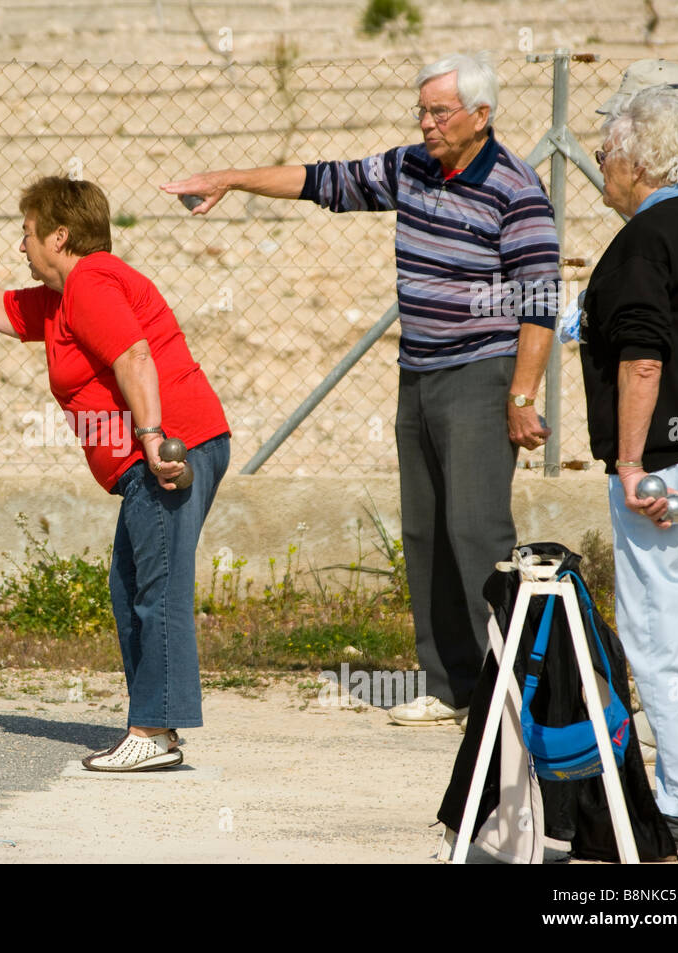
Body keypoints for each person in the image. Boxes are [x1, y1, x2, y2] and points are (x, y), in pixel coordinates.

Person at [163, 51, 559, 726]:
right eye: (422, 110)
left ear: (481, 115)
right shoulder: (411, 167)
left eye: (440, 111)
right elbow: (324, 180)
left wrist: (521, 397)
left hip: (481, 377)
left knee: (477, 530)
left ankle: (513, 689)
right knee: (426, 531)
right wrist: (232, 178)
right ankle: (450, 683)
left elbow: (540, 301)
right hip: (419, 374)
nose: (427, 123)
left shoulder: (516, 190)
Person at [0, 175, 231, 771]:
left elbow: (134, 355)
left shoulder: (93, 283)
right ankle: (158, 726)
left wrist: (152, 439)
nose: (20, 247)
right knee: (131, 587)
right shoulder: (61, 299)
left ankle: (152, 731)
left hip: (169, 451)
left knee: (157, 589)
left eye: (26, 234)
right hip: (153, 457)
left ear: (60, 235)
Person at [579, 87, 678, 850]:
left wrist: (632, 464)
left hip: (665, 457)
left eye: (605, 156)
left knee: (653, 635)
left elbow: (642, 358)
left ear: (636, 161)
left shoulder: (648, 237)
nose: (601, 168)